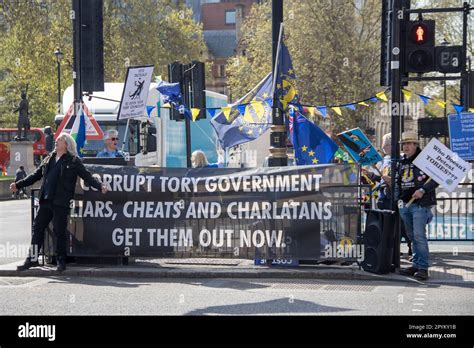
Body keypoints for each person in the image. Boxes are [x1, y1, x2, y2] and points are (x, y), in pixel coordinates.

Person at [10, 133, 108, 272]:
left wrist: (100, 186)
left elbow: (87, 176)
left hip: (61, 202)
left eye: (59, 140)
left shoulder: (73, 161)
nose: (56, 142)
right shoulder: (48, 159)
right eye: (56, 141)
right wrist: (18, 185)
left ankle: (61, 261)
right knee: (37, 228)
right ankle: (32, 259)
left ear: (67, 144)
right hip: (45, 199)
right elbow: (35, 176)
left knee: (59, 231)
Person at [395, 131, 438, 280]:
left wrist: (422, 189)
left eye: (408, 144)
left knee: (419, 236)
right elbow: (397, 182)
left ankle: (423, 268)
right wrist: (398, 200)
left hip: (420, 204)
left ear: (415, 145)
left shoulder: (425, 159)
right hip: (405, 204)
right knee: (412, 236)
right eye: (404, 144)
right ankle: (416, 264)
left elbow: (436, 178)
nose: (405, 147)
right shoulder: (402, 162)